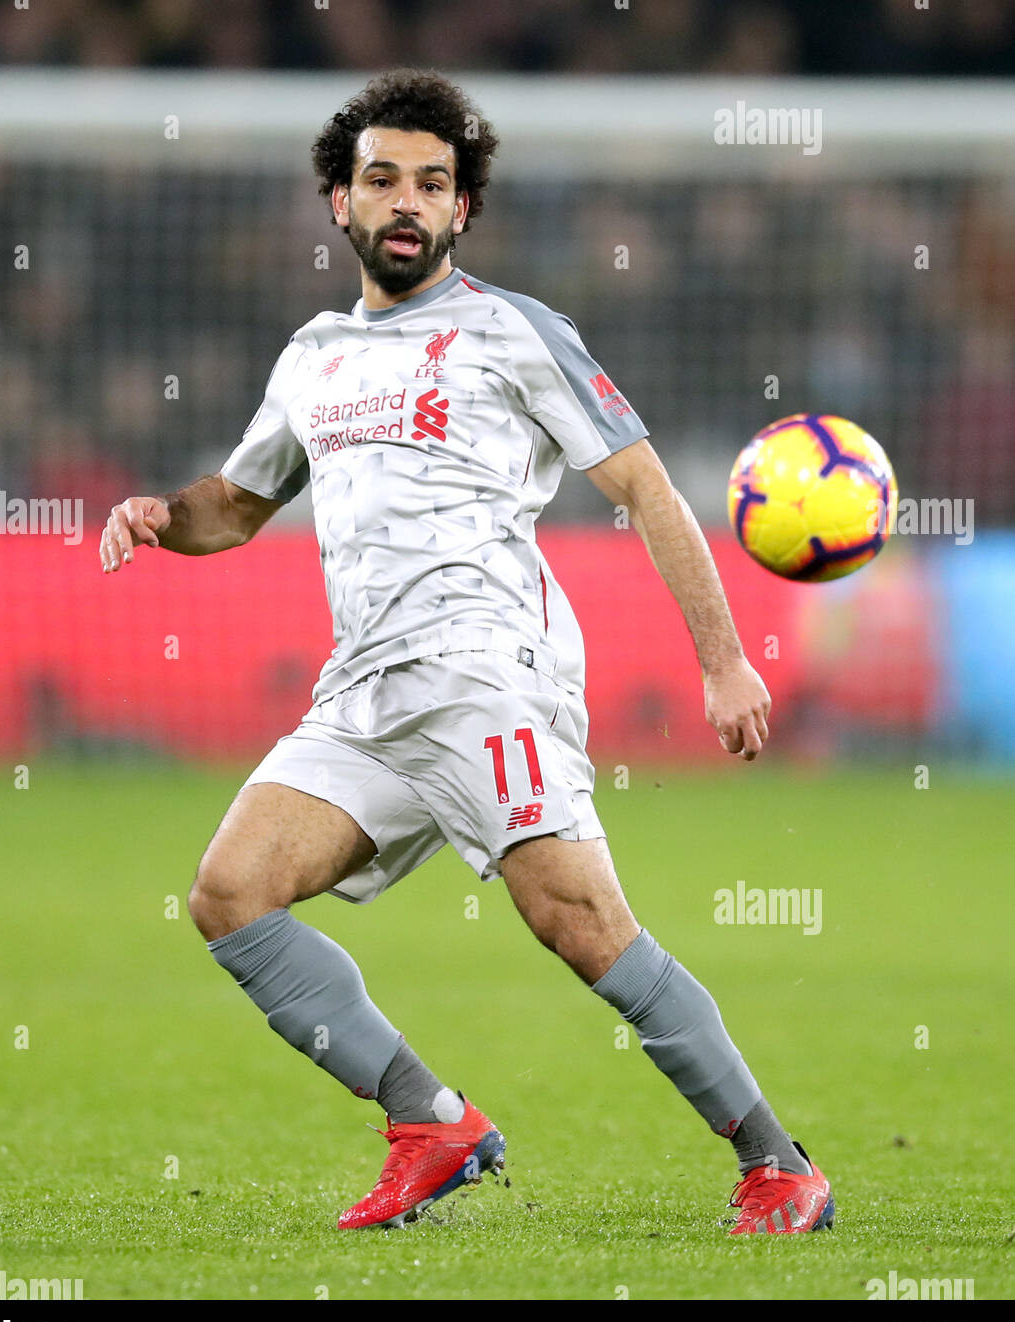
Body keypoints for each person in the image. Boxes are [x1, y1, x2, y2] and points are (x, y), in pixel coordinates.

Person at [99, 69, 833, 1235]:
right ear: (339, 202)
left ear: (462, 210)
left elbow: (644, 487)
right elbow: (234, 508)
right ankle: (430, 1121)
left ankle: (779, 1163)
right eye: (382, 179)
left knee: (584, 928)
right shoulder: (315, 355)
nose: (407, 202)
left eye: (432, 184)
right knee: (231, 894)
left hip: (490, 671)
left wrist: (724, 658)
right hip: (367, 689)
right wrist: (158, 515)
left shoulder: (511, 330)